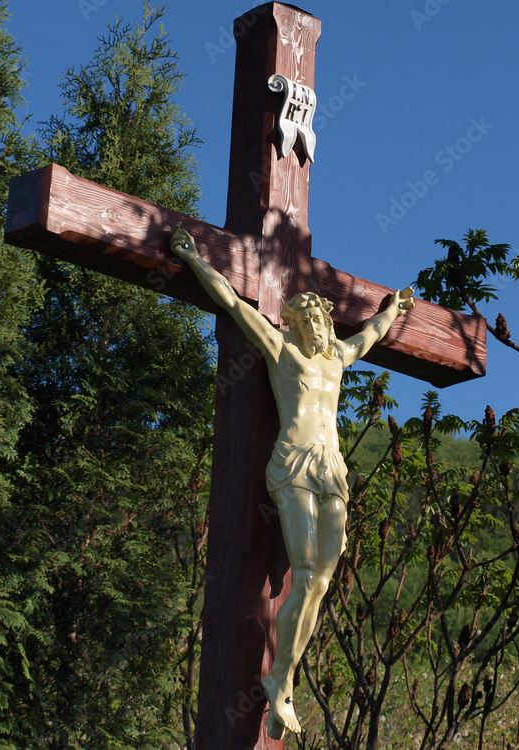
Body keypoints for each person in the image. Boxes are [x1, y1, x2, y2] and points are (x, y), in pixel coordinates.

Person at [169, 224, 414, 738]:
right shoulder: (282, 351)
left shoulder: (337, 359)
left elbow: (369, 333)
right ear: (296, 325)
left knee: (323, 579)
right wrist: (194, 261)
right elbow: (235, 305)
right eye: (307, 321)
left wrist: (392, 311)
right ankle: (279, 682)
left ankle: (282, 675)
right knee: (304, 572)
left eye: (321, 321)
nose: (318, 329)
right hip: (296, 462)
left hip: (332, 468)